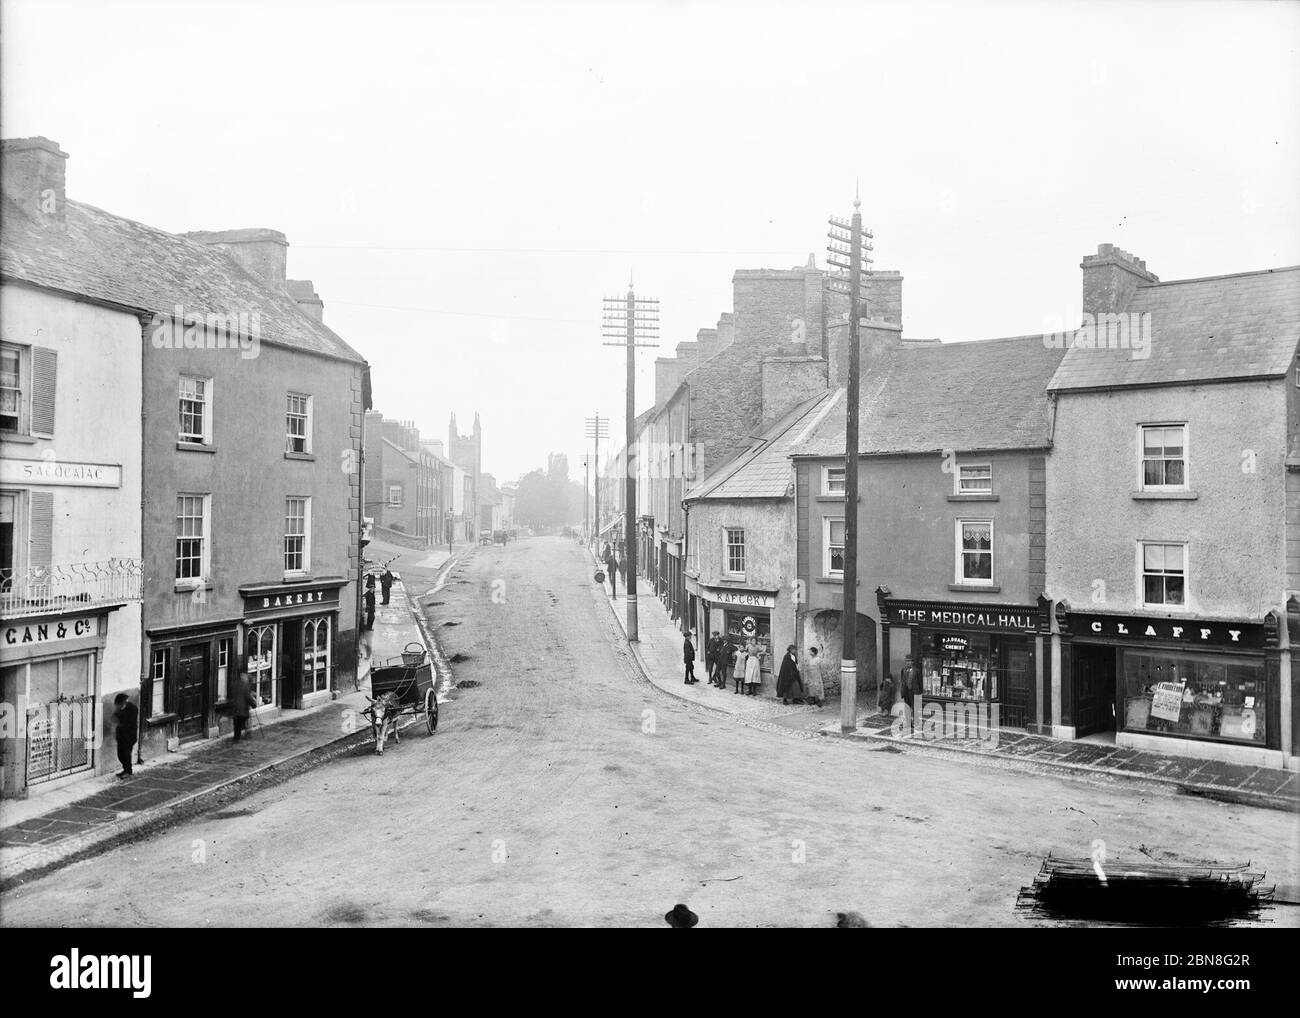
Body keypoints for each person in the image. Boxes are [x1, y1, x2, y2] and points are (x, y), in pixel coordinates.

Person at [113, 693, 138, 779]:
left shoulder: (133, 709)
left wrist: (120, 725)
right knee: (120, 754)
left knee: (126, 754)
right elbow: (115, 717)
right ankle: (125, 769)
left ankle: (128, 771)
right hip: (121, 736)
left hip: (129, 736)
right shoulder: (120, 709)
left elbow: (129, 723)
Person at [230, 669, 258, 743]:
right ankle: (247, 734)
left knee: (237, 724)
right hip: (242, 708)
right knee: (246, 721)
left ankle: (236, 738)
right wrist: (253, 704)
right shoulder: (245, 686)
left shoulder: (235, 684)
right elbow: (248, 697)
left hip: (236, 708)